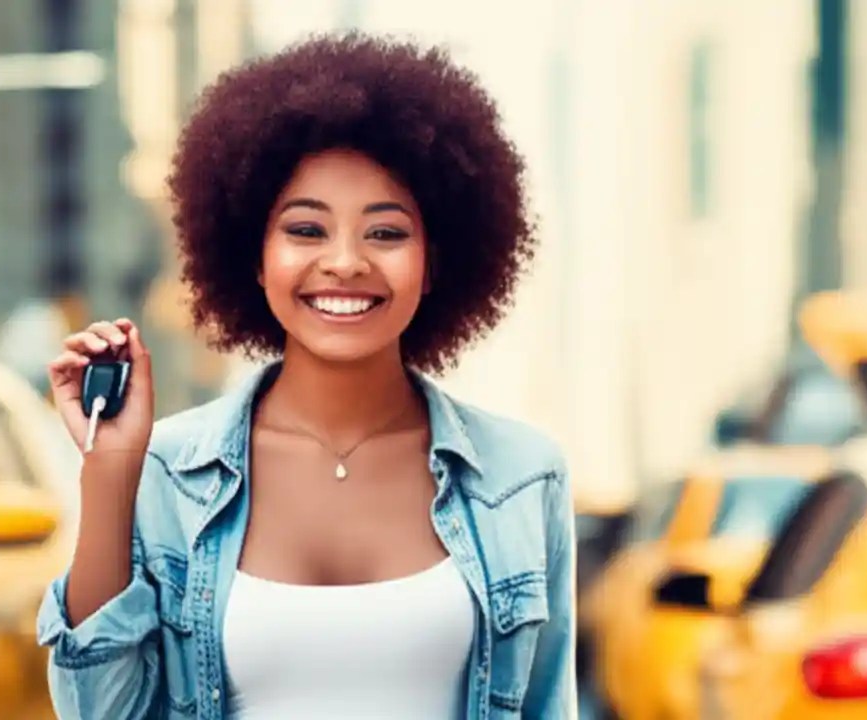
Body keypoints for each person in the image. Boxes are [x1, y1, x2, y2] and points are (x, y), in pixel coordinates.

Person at [37, 33, 576, 719]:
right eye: (306, 230)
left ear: (434, 263)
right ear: (254, 258)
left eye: (386, 233)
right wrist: (110, 472)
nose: (346, 262)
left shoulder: (523, 477)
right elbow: (99, 713)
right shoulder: (167, 474)